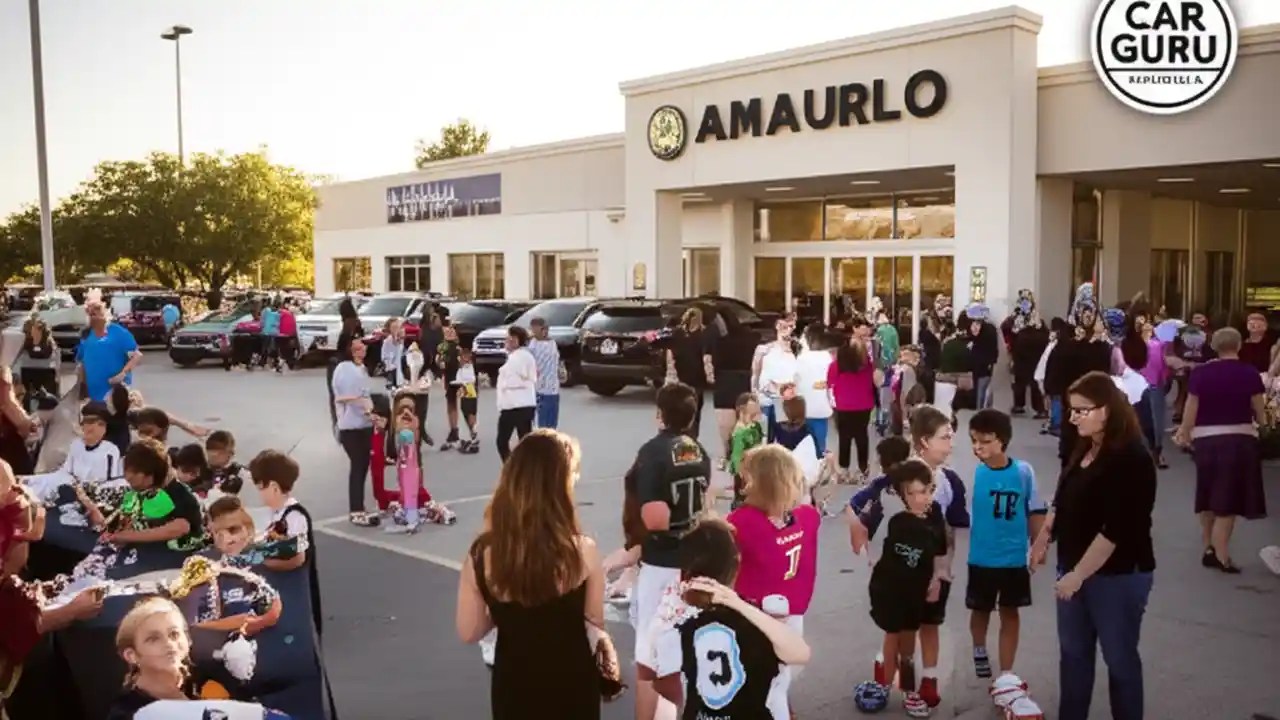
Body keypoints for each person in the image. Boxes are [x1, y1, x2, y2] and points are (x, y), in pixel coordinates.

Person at [455, 430, 606, 720]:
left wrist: (501, 610)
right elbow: (595, 620)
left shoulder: (482, 555)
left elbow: (468, 631)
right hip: (572, 687)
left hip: (515, 686)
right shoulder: (583, 552)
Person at [1030, 371, 1156, 720]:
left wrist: (1078, 576)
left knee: (1119, 658)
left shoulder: (1133, 459)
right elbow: (1063, 495)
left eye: (1082, 410)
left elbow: (1117, 530)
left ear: (1108, 409)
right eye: (1072, 409)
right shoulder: (1083, 443)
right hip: (1072, 565)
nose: (1073, 417)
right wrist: (1043, 537)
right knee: (1073, 656)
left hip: (1118, 575)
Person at [650, 519, 811, 717]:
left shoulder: (673, 625)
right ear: (736, 564)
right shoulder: (755, 625)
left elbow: (666, 697)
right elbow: (801, 653)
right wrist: (738, 603)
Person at [631, 382, 710, 720]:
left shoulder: (653, 451)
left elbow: (654, 516)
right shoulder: (699, 449)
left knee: (650, 660)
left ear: (660, 414)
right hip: (692, 562)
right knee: (683, 652)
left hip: (661, 562)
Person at [726, 446, 819, 719]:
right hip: (793, 611)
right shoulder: (807, 517)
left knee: (767, 687)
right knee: (782, 677)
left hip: (755, 616)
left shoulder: (741, 523)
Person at [1173, 327, 1267, 572]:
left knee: (1208, 492)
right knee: (1229, 498)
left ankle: (1208, 546)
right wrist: (1265, 426)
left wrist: (1184, 432)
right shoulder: (1249, 373)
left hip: (1205, 439)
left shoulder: (1201, 374)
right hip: (1239, 438)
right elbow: (1259, 408)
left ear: (1214, 346)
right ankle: (1222, 554)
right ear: (1238, 346)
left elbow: (1191, 408)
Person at [860, 459, 948, 718]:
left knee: (907, 647)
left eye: (924, 491)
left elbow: (939, 554)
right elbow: (883, 554)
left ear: (932, 489)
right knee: (891, 638)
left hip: (915, 595)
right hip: (891, 591)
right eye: (911, 493)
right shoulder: (897, 521)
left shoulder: (935, 519)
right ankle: (884, 685)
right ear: (902, 495)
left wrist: (936, 580)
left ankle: (909, 691)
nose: (919, 498)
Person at [965, 409, 1046, 683]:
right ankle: (979, 648)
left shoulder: (1023, 472)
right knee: (980, 609)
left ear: (1002, 440)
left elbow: (1035, 510)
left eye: (985, 440)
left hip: (1013, 559)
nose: (978, 447)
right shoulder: (974, 473)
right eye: (974, 440)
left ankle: (1007, 672)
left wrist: (1038, 547)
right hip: (981, 557)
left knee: (1010, 612)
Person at [250, 449, 323, 636]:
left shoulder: (294, 516)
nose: (260, 495)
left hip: (294, 589)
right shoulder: (276, 513)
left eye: (260, 488)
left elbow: (298, 558)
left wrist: (262, 560)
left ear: (273, 487)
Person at [91, 438, 204, 551]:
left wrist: (127, 537)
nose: (128, 477)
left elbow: (179, 528)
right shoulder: (136, 493)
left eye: (135, 472)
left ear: (151, 476)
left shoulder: (182, 497)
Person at [106, 597, 197, 718]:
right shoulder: (127, 713)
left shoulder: (204, 684)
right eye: (153, 639)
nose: (169, 644)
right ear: (131, 655)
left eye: (174, 634)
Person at [21, 401, 120, 502]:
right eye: (84, 422)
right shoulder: (76, 445)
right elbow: (63, 474)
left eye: (91, 422)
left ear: (103, 427)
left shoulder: (110, 451)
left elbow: (108, 485)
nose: (86, 427)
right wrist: (30, 480)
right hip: (68, 494)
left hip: (93, 501)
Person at [331, 338, 378, 527]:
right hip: (350, 426)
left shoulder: (361, 369)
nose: (362, 350)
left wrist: (371, 412)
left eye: (363, 346)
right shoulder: (344, 369)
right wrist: (363, 405)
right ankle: (356, 510)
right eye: (357, 348)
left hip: (364, 424)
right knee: (358, 466)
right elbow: (343, 396)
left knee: (363, 465)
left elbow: (364, 394)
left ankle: (359, 506)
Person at [710, 309, 757, 467]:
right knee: (746, 423)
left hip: (724, 382)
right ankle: (746, 456)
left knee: (726, 426)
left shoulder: (718, 341)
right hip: (745, 381)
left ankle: (727, 455)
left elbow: (714, 362)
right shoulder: (753, 338)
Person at [829, 336, 876, 483]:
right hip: (864, 404)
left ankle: (844, 470)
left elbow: (830, 382)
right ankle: (863, 469)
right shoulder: (868, 365)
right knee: (862, 436)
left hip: (843, 405)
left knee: (844, 437)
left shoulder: (836, 365)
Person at [77, 298, 143, 403]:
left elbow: (137, 356)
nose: (94, 317)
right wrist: (82, 385)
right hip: (94, 392)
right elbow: (82, 363)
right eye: (91, 314)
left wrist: (123, 373)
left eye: (97, 312)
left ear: (105, 314)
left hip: (116, 390)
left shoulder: (118, 332)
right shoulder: (86, 335)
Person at [1000, 290, 1050, 418]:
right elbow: (1005, 328)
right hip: (1021, 355)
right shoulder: (1015, 318)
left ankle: (1038, 408)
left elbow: (1045, 335)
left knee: (1032, 381)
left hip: (1033, 355)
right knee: (1020, 381)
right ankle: (1020, 405)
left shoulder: (1037, 319)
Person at [666, 307, 714, 439]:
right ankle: (691, 438)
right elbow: (707, 357)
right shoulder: (704, 334)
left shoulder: (678, 333)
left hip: (682, 376)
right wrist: (710, 375)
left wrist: (671, 372)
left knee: (680, 409)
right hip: (697, 378)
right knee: (695, 411)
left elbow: (670, 354)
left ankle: (679, 435)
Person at [495, 326, 537, 462]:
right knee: (526, 443)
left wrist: (506, 385)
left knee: (502, 442)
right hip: (525, 404)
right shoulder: (524, 356)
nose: (506, 341)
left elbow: (513, 380)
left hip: (513, 406)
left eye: (509, 338)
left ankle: (511, 471)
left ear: (516, 340)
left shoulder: (517, 358)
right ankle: (525, 473)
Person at [754, 318, 798, 442]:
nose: (788, 328)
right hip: (765, 397)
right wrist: (754, 392)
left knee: (783, 437)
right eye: (783, 325)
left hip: (784, 399)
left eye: (791, 326)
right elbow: (755, 371)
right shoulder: (764, 348)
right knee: (764, 436)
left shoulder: (797, 349)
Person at [795, 323, 833, 457]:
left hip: (804, 407)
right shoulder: (827, 357)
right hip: (822, 407)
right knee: (820, 442)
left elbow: (795, 379)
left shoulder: (802, 358)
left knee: (804, 444)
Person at [727, 392, 765, 508]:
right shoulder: (739, 432)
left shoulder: (755, 426)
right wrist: (741, 472)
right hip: (744, 471)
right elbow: (736, 456)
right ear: (741, 410)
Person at [15, 318, 58, 412]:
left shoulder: (48, 343)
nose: (32, 331)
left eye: (34, 329)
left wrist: (35, 353)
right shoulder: (27, 342)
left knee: (47, 397)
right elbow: (24, 354)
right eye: (32, 329)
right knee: (26, 395)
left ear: (40, 331)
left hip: (45, 372)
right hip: (29, 372)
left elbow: (45, 354)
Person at [527, 317, 562, 430]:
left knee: (552, 426)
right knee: (542, 427)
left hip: (554, 390)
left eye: (546, 328)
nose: (544, 331)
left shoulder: (552, 343)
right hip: (540, 391)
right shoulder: (532, 346)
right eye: (541, 329)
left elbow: (556, 361)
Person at [437, 322, 465, 450]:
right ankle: (453, 429)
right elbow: (438, 361)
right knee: (450, 404)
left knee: (455, 404)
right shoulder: (441, 347)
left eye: (452, 332)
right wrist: (439, 362)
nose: (449, 334)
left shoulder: (458, 349)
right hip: (448, 377)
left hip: (457, 378)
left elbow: (462, 363)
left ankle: (456, 430)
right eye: (447, 332)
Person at [454, 347, 481, 454]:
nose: (464, 358)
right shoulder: (461, 367)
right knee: (464, 413)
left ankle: (473, 435)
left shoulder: (470, 367)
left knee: (470, 412)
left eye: (466, 355)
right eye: (462, 356)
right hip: (463, 392)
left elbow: (471, 379)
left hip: (470, 391)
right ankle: (468, 437)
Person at [205, 431, 249, 496]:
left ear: (230, 453)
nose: (212, 456)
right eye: (210, 451)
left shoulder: (242, 475)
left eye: (218, 453)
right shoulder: (199, 473)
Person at [381, 318, 406, 389]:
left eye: (400, 327)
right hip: (391, 369)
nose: (400, 329)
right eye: (395, 328)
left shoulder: (400, 340)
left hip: (399, 369)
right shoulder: (388, 341)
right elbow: (385, 357)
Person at [260, 301, 281, 370]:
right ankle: (275, 362)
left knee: (265, 347)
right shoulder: (278, 314)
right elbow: (279, 323)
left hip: (266, 331)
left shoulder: (265, 311)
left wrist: (262, 328)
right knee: (274, 347)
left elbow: (262, 322)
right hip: (275, 332)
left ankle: (263, 362)